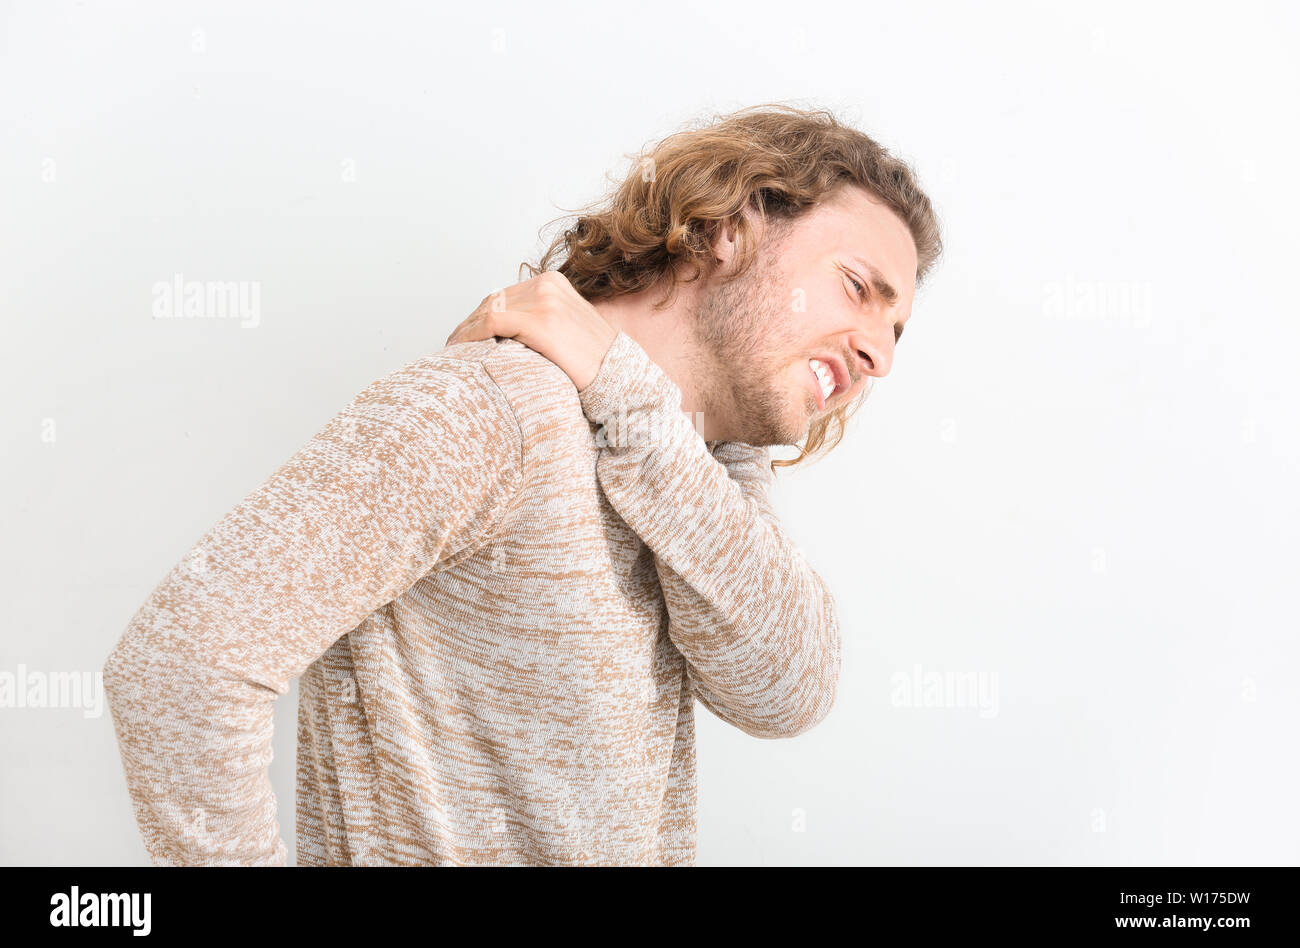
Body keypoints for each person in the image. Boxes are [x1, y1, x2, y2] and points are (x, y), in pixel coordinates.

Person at [102, 103, 942, 866]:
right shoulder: (493, 408)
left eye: (895, 328)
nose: (882, 354)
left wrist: (640, 402)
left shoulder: (685, 470)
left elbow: (790, 688)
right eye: (859, 288)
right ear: (731, 228)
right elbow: (179, 664)